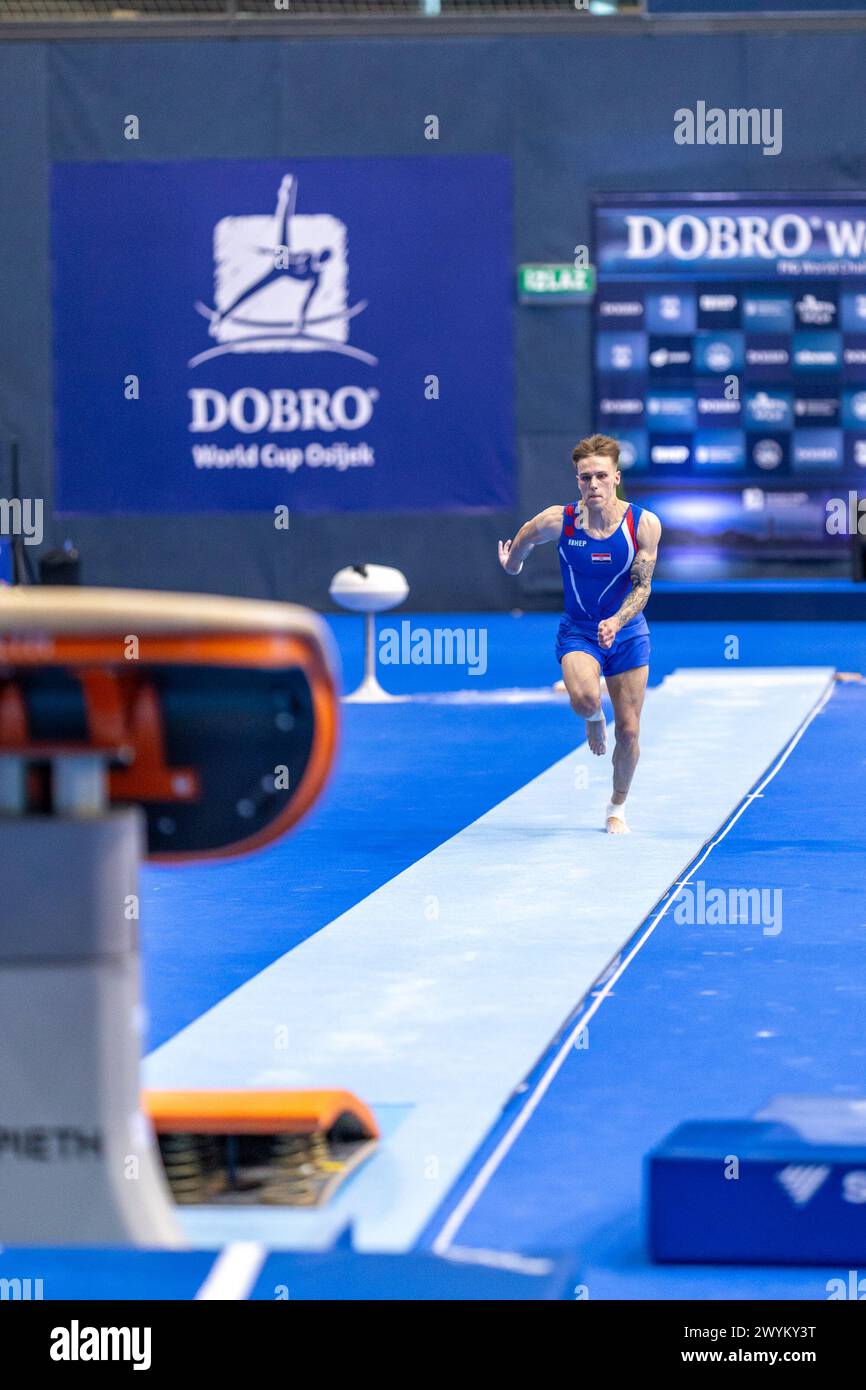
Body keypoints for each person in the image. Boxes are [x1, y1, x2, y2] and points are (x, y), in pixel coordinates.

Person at [498, 434, 661, 834]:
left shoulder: (644, 524)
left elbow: (643, 586)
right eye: (585, 478)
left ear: (616, 477)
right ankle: (592, 718)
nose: (593, 485)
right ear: (577, 481)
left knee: (629, 730)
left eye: (600, 477)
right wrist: (513, 564)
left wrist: (618, 621)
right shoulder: (560, 520)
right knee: (585, 699)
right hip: (580, 632)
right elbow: (526, 536)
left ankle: (617, 806)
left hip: (627, 633)